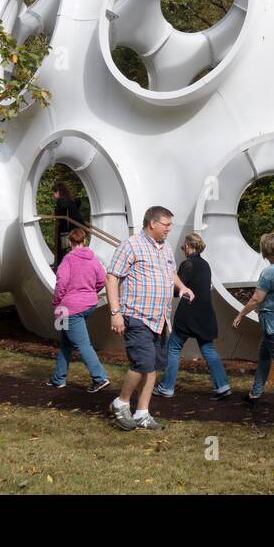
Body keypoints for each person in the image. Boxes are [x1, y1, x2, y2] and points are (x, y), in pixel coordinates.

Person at [106, 206, 194, 431]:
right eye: (166, 225)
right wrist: (115, 313)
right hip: (137, 316)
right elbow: (112, 277)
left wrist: (182, 287)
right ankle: (121, 402)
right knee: (142, 362)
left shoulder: (165, 249)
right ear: (152, 223)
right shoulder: (131, 245)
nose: (169, 229)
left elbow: (170, 272)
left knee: (153, 366)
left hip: (160, 318)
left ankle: (142, 413)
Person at [153, 232, 230, 401]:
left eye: (182, 247)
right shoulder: (206, 265)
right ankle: (222, 385)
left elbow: (177, 290)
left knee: (173, 348)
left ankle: (166, 387)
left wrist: (166, 281)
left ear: (188, 246)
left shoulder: (187, 264)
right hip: (206, 315)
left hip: (188, 314)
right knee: (208, 350)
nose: (182, 250)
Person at [232, 232, 274, 413]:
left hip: (273, 324)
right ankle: (254, 395)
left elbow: (256, 299)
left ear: (264, 251)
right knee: (264, 355)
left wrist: (240, 314)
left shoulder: (268, 273)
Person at [47, 227, 111, 393]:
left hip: (69, 308)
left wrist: (56, 302)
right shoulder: (93, 259)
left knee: (83, 345)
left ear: (70, 242)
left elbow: (61, 283)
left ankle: (100, 378)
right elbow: (101, 280)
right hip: (89, 305)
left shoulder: (68, 260)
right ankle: (58, 379)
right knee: (66, 342)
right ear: (85, 241)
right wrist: (90, 292)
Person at [52, 181, 86, 269]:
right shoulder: (71, 199)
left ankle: (65, 266)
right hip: (79, 225)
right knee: (78, 245)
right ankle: (78, 264)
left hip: (69, 227)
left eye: (54, 193)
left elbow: (62, 210)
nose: (54, 195)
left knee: (65, 247)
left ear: (58, 192)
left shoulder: (62, 201)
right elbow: (78, 201)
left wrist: (57, 208)